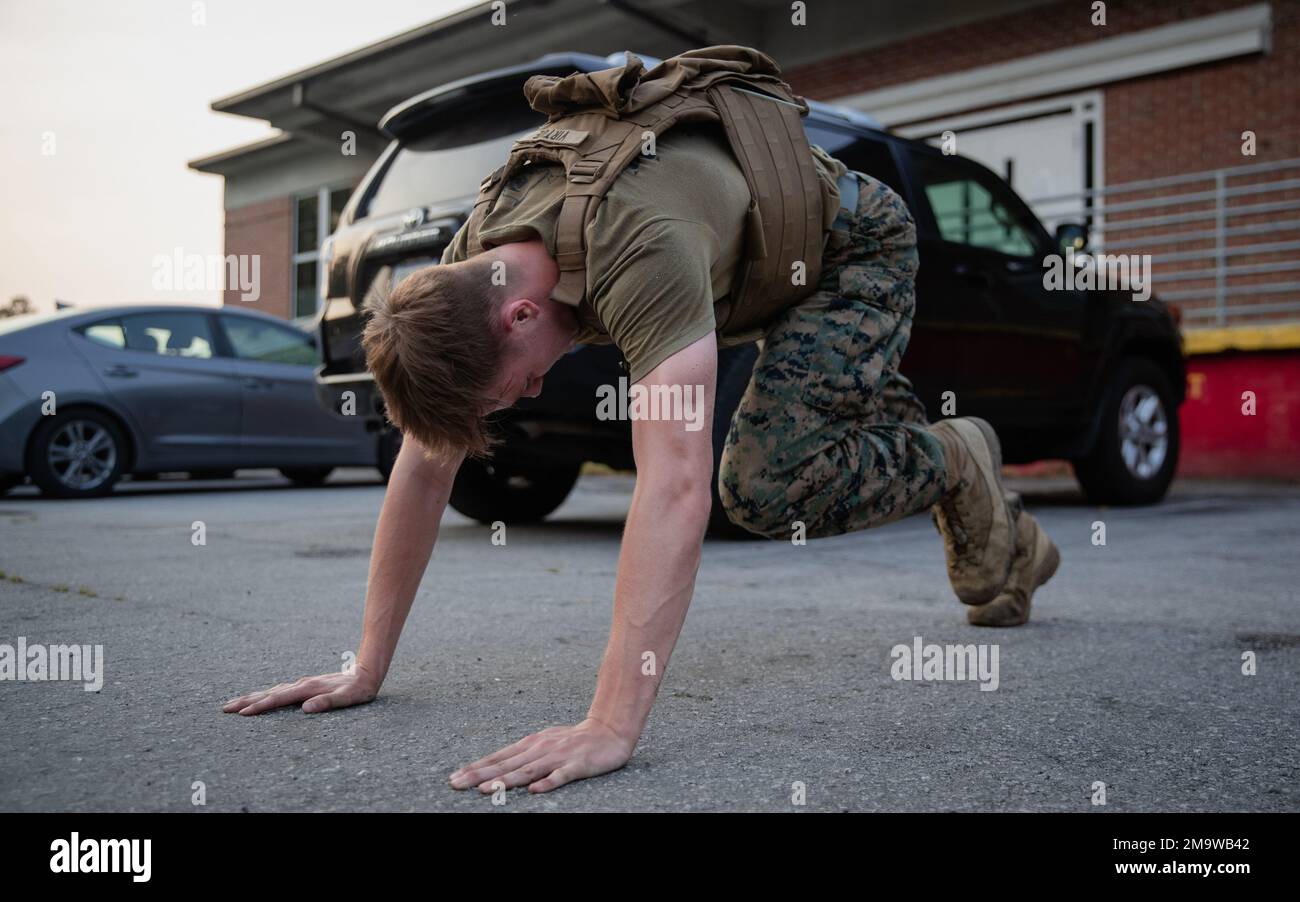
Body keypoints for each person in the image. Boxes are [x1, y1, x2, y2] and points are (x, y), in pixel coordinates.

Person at [223, 58, 1059, 796]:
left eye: (508, 390)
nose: (522, 399)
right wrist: (365, 665)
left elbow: (674, 486)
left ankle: (954, 456)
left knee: (762, 484)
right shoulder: (474, 258)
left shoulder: (639, 251)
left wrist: (609, 726)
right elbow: (425, 465)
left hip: (848, 251)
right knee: (811, 419)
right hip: (738, 258)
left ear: (518, 315)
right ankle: (966, 501)